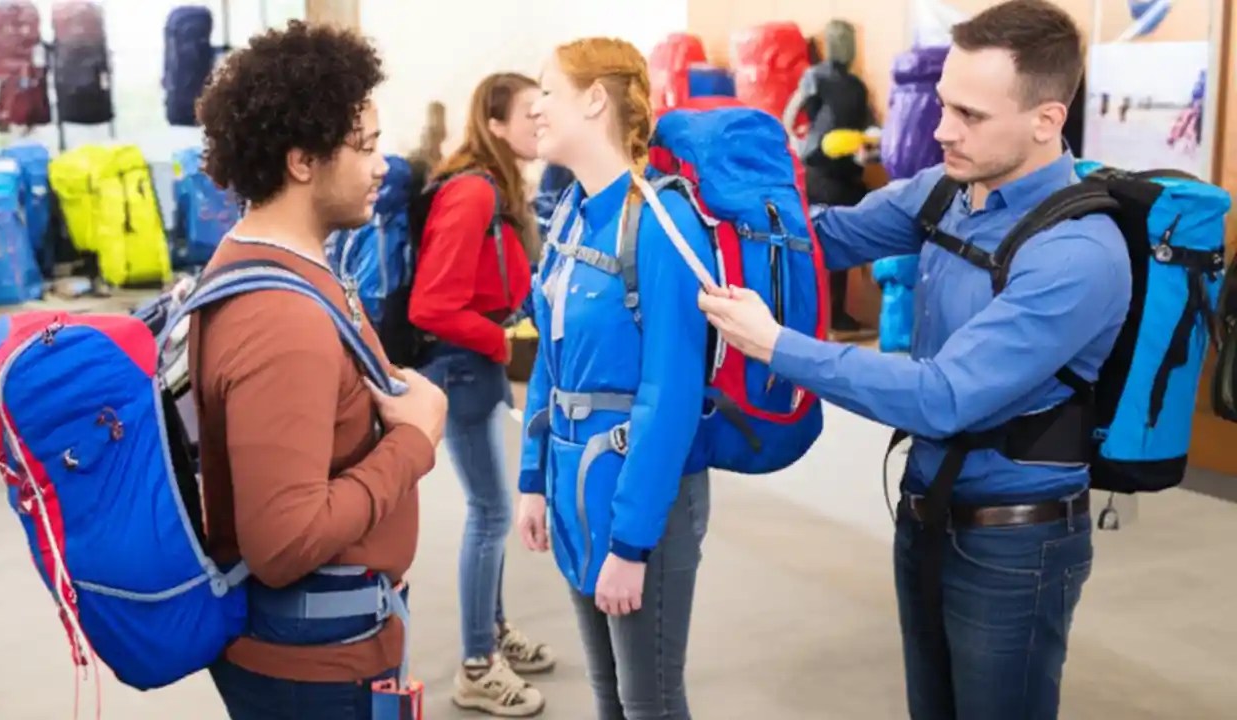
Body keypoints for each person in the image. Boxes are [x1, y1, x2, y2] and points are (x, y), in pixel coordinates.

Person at [700, 2, 1129, 719]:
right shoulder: (949, 190)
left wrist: (773, 343)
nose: (940, 130)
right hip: (926, 512)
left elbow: (942, 396)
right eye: (941, 105)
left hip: (1016, 546)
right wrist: (698, 221)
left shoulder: (1077, 255)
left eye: (970, 114)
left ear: (1047, 121)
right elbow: (817, 239)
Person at [191, 21, 448, 719]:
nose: (380, 167)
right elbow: (285, 542)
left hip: (323, 649)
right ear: (303, 160)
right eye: (363, 147)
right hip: (316, 676)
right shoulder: (282, 317)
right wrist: (414, 442)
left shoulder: (274, 269)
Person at [517, 36, 715, 720]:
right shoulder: (572, 212)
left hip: (639, 497)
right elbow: (550, 356)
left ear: (595, 99)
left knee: (648, 701)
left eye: (546, 91)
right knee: (609, 696)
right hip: (574, 485)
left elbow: (672, 394)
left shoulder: (662, 220)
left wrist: (632, 541)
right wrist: (531, 478)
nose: (533, 107)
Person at [406, 72, 551, 718]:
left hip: (473, 362)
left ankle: (490, 634)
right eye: (528, 112)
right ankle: (474, 665)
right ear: (494, 125)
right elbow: (431, 304)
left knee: (488, 510)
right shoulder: (472, 192)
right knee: (491, 513)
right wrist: (496, 345)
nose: (540, 120)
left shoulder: (492, 184)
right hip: (462, 364)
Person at [782, 19, 879, 340]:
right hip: (822, 169)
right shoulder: (818, 77)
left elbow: (868, 127)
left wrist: (866, 148)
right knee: (815, 243)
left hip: (843, 171)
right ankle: (814, 312)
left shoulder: (854, 85)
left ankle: (833, 314)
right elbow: (796, 114)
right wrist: (797, 144)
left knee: (835, 245)